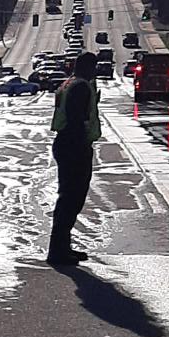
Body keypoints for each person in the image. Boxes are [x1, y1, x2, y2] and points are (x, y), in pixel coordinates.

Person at [47, 51, 101, 268]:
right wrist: (81, 147)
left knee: (68, 199)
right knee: (71, 199)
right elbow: (75, 118)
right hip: (73, 145)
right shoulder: (80, 87)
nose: (95, 71)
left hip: (66, 143)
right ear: (88, 67)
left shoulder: (70, 83)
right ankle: (57, 251)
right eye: (94, 67)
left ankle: (62, 247)